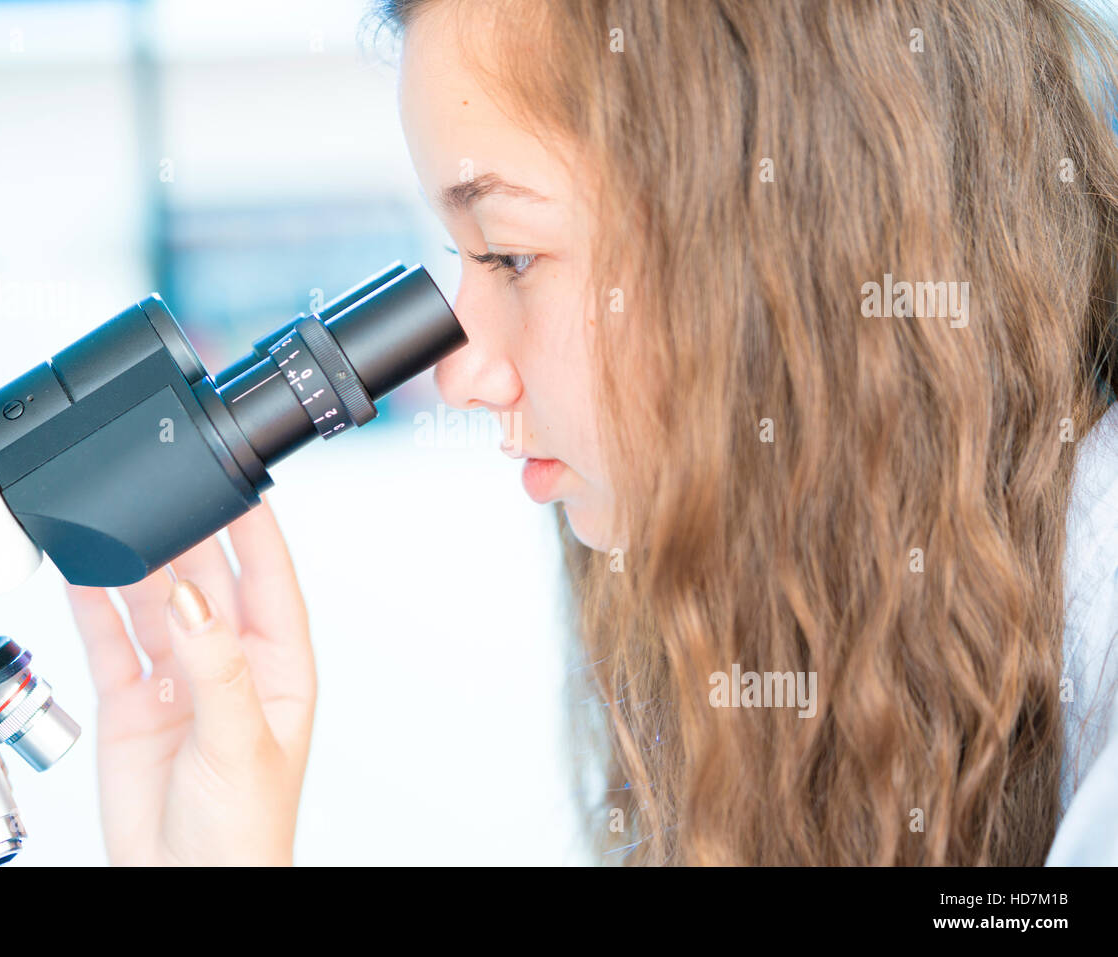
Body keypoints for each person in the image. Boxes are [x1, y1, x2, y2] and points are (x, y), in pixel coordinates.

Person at [66, 0, 1118, 865]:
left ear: (785, 233)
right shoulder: (824, 633)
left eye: (510, 255)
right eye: (460, 257)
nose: (461, 367)